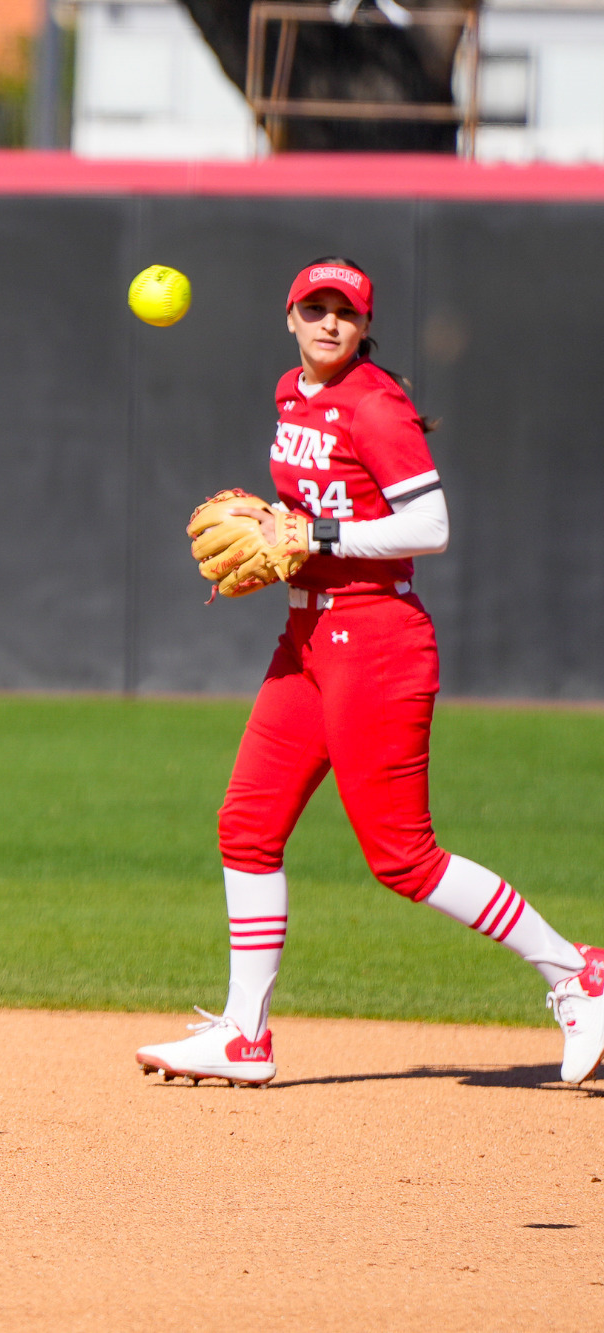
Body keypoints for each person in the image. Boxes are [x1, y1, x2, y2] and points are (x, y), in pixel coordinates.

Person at [136, 257, 604, 1087]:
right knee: (246, 825)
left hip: (378, 640)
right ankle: (245, 1034)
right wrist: (284, 533)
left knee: (403, 857)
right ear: (289, 318)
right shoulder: (291, 393)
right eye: (312, 308)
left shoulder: (376, 402)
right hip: (307, 640)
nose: (326, 323)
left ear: (362, 326)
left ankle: (578, 974)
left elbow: (431, 525)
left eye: (342, 313)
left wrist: (313, 538)